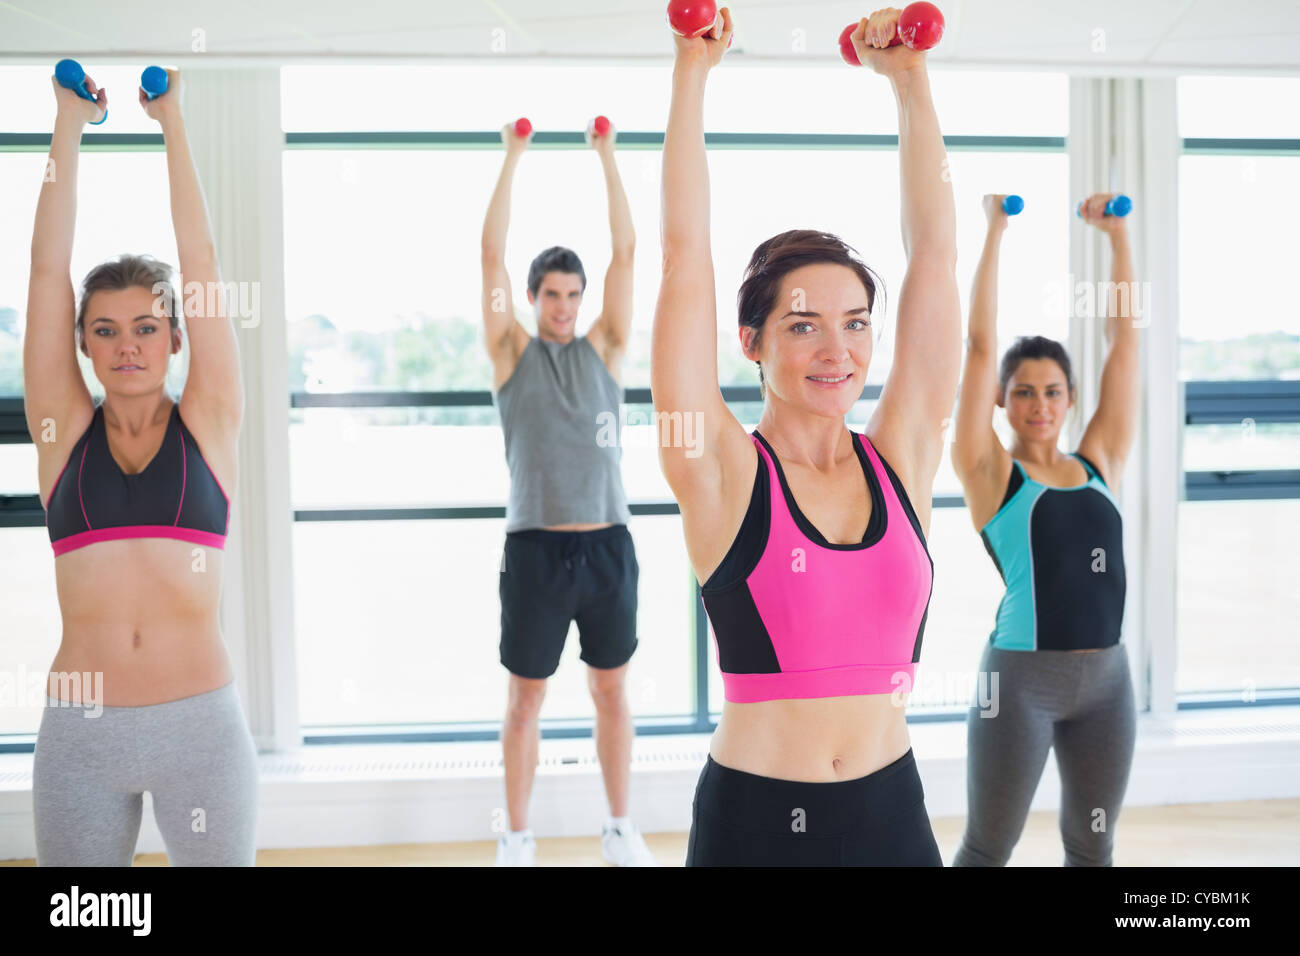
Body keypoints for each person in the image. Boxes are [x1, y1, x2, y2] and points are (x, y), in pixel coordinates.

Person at [654, 7, 961, 865]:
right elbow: (683, 259)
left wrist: (909, 82)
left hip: (893, 815)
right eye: (802, 326)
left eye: (857, 324)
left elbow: (936, 256)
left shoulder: (900, 455)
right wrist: (691, 74)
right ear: (749, 341)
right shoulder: (720, 470)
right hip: (757, 824)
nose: (838, 351)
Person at [25, 67, 257, 866]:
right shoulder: (60, 434)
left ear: (175, 338)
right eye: (106, 329)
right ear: (83, 342)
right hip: (79, 732)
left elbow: (202, 265)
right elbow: (44, 275)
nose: (128, 344)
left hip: (201, 729)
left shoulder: (212, 426)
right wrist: (67, 125)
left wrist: (174, 125)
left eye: (148, 328)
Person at [482, 115, 655, 866]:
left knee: (612, 694)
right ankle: (517, 837)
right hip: (535, 552)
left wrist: (608, 156)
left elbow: (628, 251)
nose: (563, 306)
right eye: (551, 294)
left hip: (608, 548)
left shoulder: (607, 349)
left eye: (572, 295)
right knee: (525, 701)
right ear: (531, 296)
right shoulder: (509, 353)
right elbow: (488, 251)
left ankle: (620, 829)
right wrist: (512, 158)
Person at [949, 192, 1140, 866]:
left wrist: (1117, 237)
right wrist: (995, 232)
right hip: (1018, 683)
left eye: (1052, 390)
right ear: (1002, 400)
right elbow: (976, 349)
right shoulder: (989, 472)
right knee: (987, 846)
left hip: (1110, 682)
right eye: (1023, 390)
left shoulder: (1100, 462)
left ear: (1070, 399)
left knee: (1093, 845)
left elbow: (1126, 341)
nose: (1039, 404)